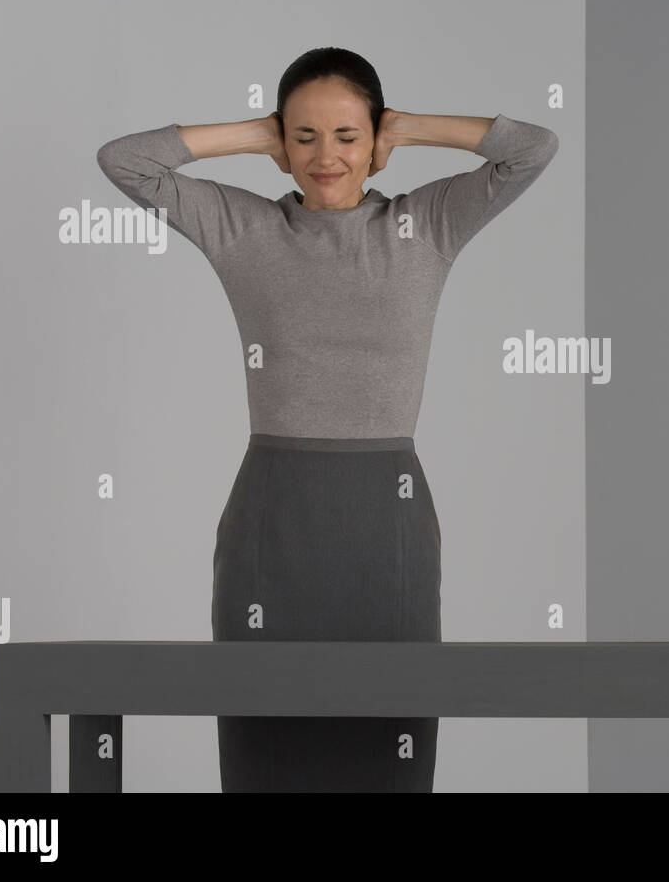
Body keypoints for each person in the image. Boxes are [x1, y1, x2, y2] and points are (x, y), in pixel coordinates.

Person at [96, 47, 559, 791]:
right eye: (303, 136)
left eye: (347, 135)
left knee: (389, 748)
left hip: (390, 527)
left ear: (373, 142)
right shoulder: (243, 229)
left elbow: (532, 149)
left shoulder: (429, 225)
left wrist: (406, 126)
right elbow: (125, 161)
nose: (325, 156)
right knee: (266, 751)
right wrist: (256, 134)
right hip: (272, 527)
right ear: (283, 145)